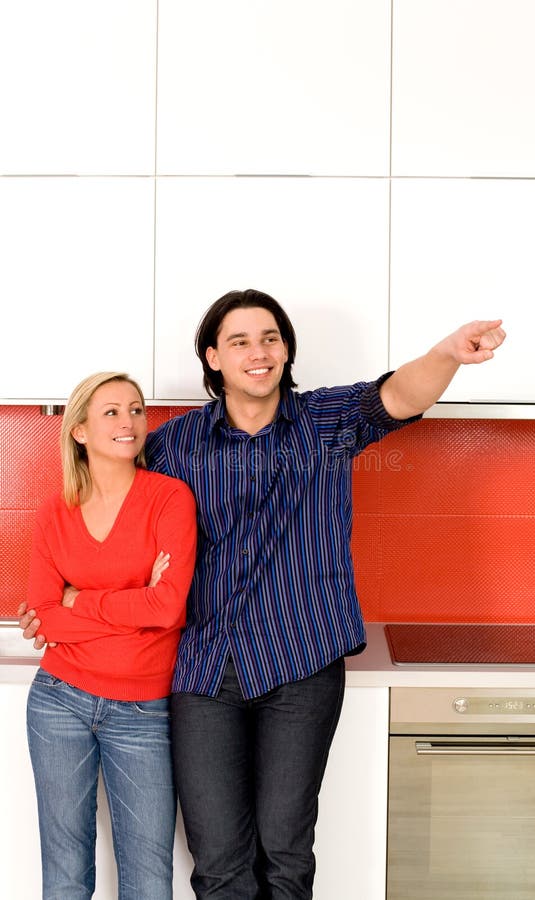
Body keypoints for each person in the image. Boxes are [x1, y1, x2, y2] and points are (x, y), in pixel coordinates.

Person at [20, 293, 506, 899]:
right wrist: (65, 593)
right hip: (203, 673)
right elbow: (113, 502)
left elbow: (400, 396)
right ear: (213, 357)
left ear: (285, 352)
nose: (259, 352)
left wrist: (446, 354)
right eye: (241, 341)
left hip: (301, 662)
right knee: (218, 857)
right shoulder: (175, 446)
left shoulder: (327, 421)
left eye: (270, 338)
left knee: (284, 850)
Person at [20, 372, 197, 900]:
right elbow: (45, 617)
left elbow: (167, 608)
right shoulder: (56, 511)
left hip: (143, 711)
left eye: (137, 410)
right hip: (58, 701)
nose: (130, 422)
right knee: (65, 870)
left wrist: (80, 600)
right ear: (79, 431)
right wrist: (131, 598)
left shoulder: (169, 498)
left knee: (147, 875)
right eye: (112, 412)